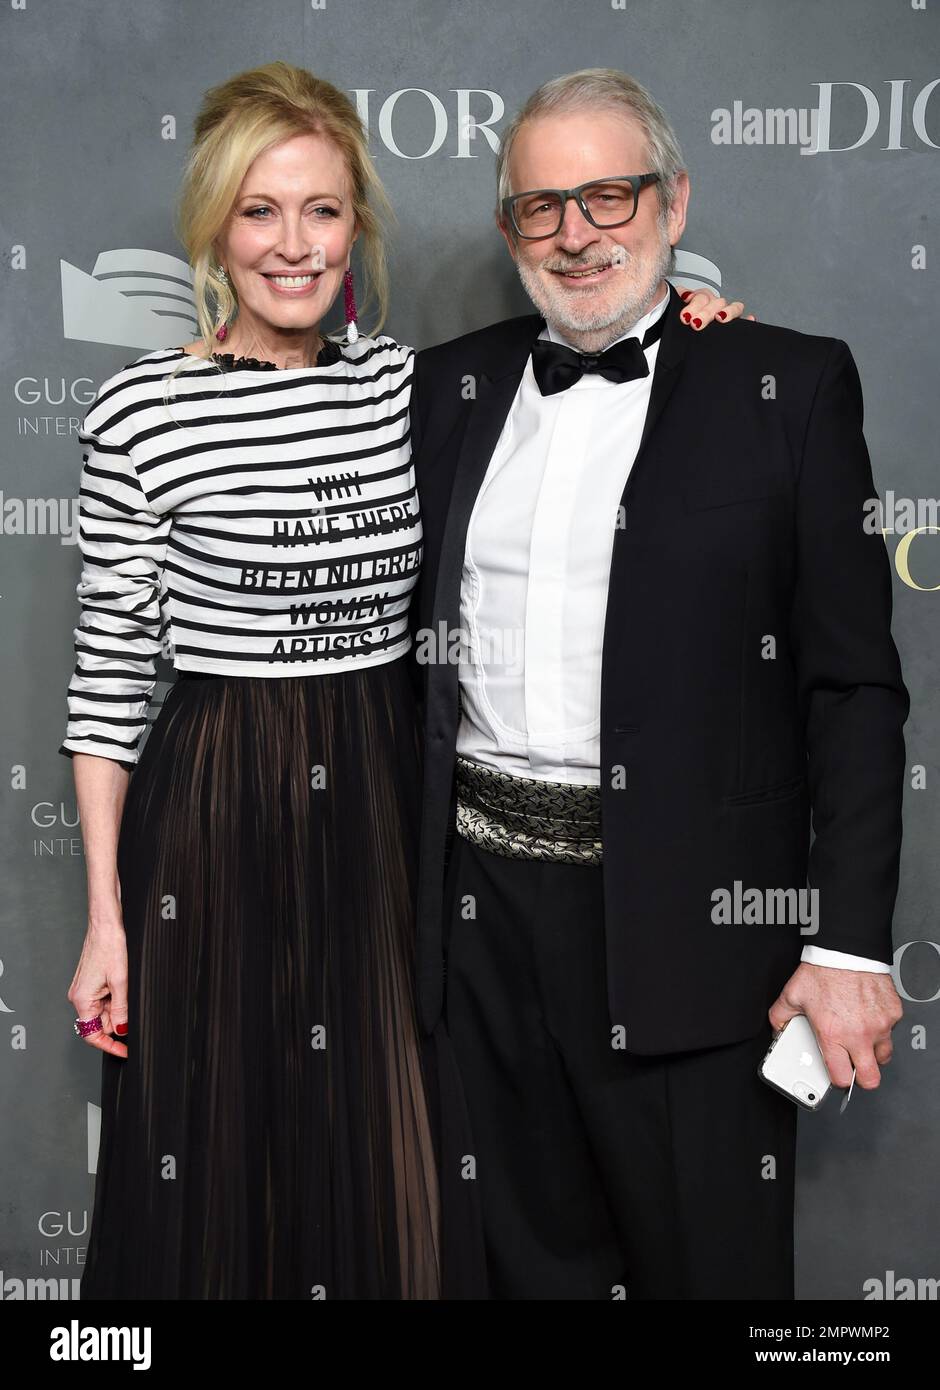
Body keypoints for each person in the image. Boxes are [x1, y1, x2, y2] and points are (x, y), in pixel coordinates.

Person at [61, 61, 739, 1301]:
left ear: (355, 226)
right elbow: (106, 685)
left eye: (322, 209)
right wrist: (108, 919)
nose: (292, 244)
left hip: (382, 807)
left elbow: (596, 343)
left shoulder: (413, 389)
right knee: (207, 1155)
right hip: (214, 809)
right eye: (260, 211)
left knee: (391, 1162)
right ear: (215, 224)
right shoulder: (137, 411)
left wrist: (698, 332)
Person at [408, 68, 909, 1300]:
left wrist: (846, 941)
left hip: (695, 934)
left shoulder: (785, 386)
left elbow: (852, 686)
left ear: (673, 202)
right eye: (541, 206)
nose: (577, 233)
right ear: (507, 228)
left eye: (609, 195)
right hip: (473, 932)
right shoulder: (438, 389)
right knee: (509, 1275)